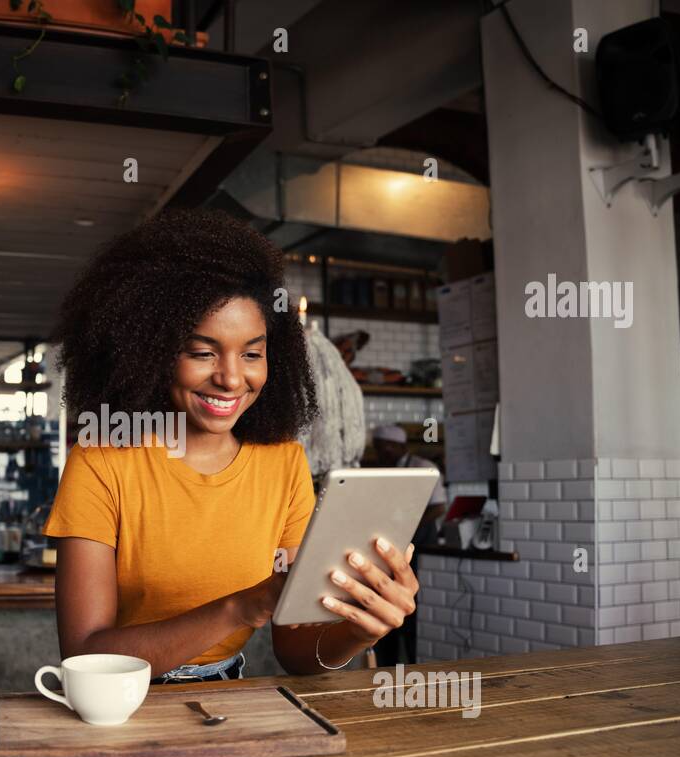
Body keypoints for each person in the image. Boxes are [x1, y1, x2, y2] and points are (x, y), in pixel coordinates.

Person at [42, 210, 422, 683]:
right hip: (121, 707)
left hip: (228, 700)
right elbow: (83, 655)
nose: (230, 377)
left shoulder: (283, 463)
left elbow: (297, 654)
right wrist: (241, 607)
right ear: (151, 353)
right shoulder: (101, 462)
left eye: (251, 353)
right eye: (202, 352)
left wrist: (362, 628)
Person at [369, 423, 447, 665]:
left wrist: (407, 526)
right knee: (386, 609)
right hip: (388, 551)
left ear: (402, 445)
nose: (384, 453)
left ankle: (412, 665)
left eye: (389, 447)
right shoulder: (380, 470)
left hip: (420, 545)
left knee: (412, 609)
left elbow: (439, 507)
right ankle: (386, 668)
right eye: (380, 448)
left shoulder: (423, 468)